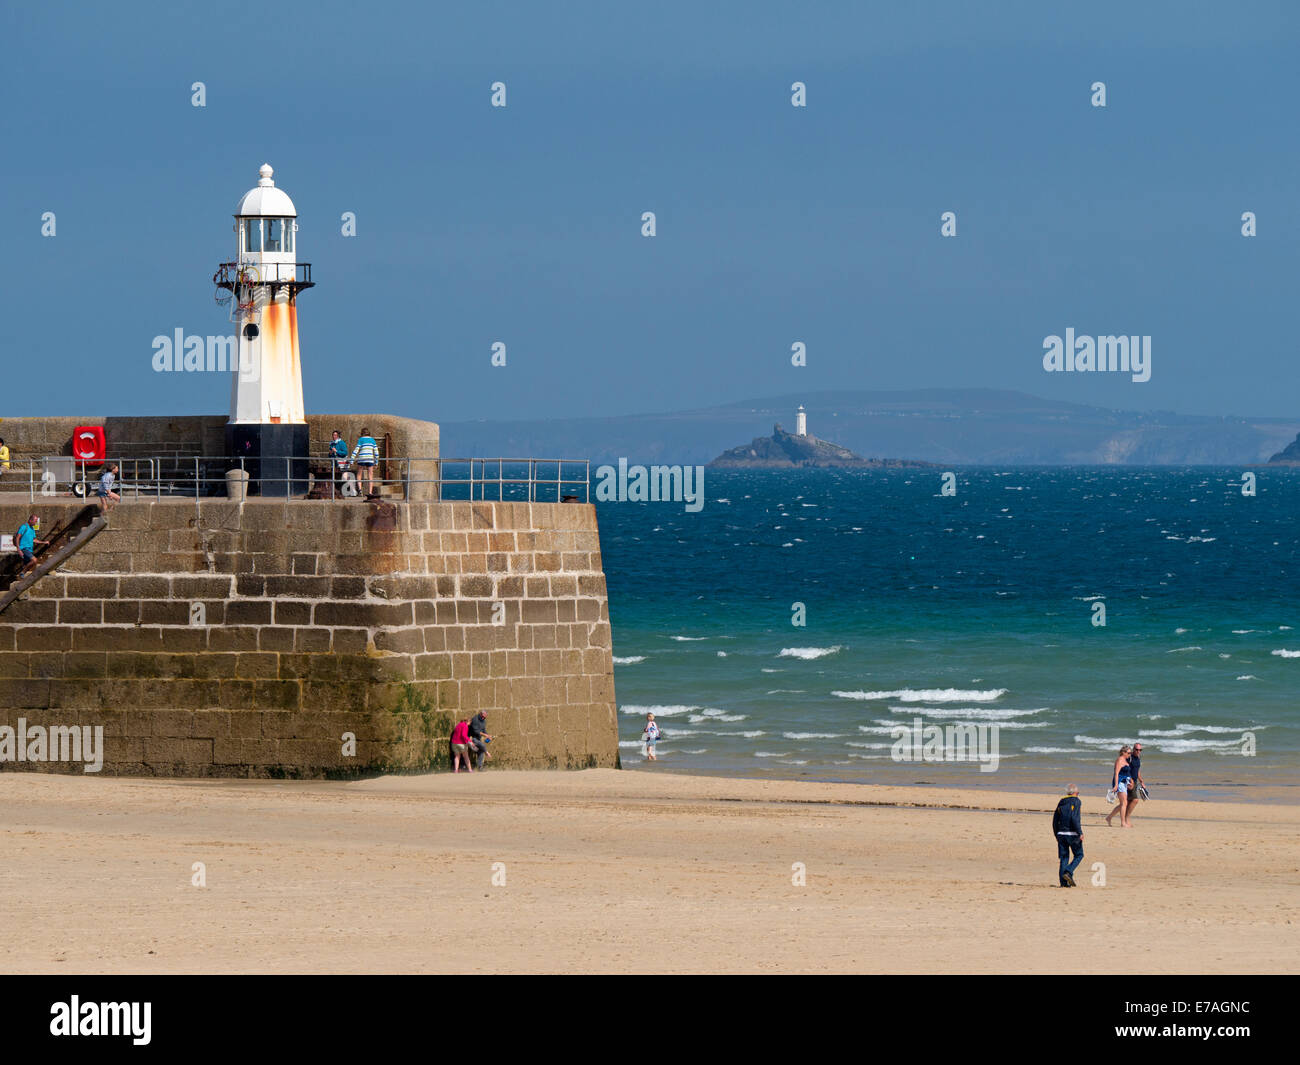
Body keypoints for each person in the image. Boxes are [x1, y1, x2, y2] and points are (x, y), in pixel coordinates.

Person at [1052, 784, 1084, 887]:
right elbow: (1075, 818)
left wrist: (1056, 834)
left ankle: (1063, 883)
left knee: (1064, 858)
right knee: (1079, 855)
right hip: (1073, 834)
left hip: (1061, 833)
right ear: (1075, 793)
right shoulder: (1076, 801)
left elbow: (1055, 820)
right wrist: (1080, 832)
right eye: (1078, 792)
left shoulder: (1061, 801)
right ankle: (1068, 871)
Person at [1106, 744, 1134, 828]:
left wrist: (1131, 781)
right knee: (1124, 803)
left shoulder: (1126, 760)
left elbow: (1127, 773)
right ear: (1123, 752)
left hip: (1125, 783)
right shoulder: (1120, 760)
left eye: (1130, 753)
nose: (1130, 754)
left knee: (1123, 803)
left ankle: (1109, 817)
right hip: (1119, 782)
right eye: (1129, 753)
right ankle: (1123, 823)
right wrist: (1115, 785)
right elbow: (1117, 773)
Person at [349, 427, 379, 498]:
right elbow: (376, 452)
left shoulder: (361, 439)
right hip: (370, 459)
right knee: (370, 475)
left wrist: (352, 460)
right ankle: (370, 492)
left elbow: (356, 450)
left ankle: (360, 490)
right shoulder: (372, 440)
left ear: (362, 433)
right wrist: (376, 462)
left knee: (359, 474)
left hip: (362, 458)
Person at [1127, 742, 1146, 820]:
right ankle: (1126, 818)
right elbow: (1126, 770)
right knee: (1135, 800)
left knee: (1127, 802)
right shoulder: (1129, 757)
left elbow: (1137, 770)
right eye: (1137, 749)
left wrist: (1141, 780)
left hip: (1135, 781)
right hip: (1129, 782)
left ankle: (1110, 817)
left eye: (1140, 750)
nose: (1138, 751)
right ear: (1133, 749)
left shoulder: (1138, 757)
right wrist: (1130, 780)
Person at [328, 430, 349, 497]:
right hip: (335, 463)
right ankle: (336, 492)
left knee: (343, 478)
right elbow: (330, 455)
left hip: (341, 463)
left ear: (338, 436)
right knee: (335, 477)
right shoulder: (332, 444)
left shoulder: (341, 443)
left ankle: (344, 492)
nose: (334, 437)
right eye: (333, 435)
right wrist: (330, 453)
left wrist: (336, 451)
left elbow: (345, 453)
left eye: (335, 435)